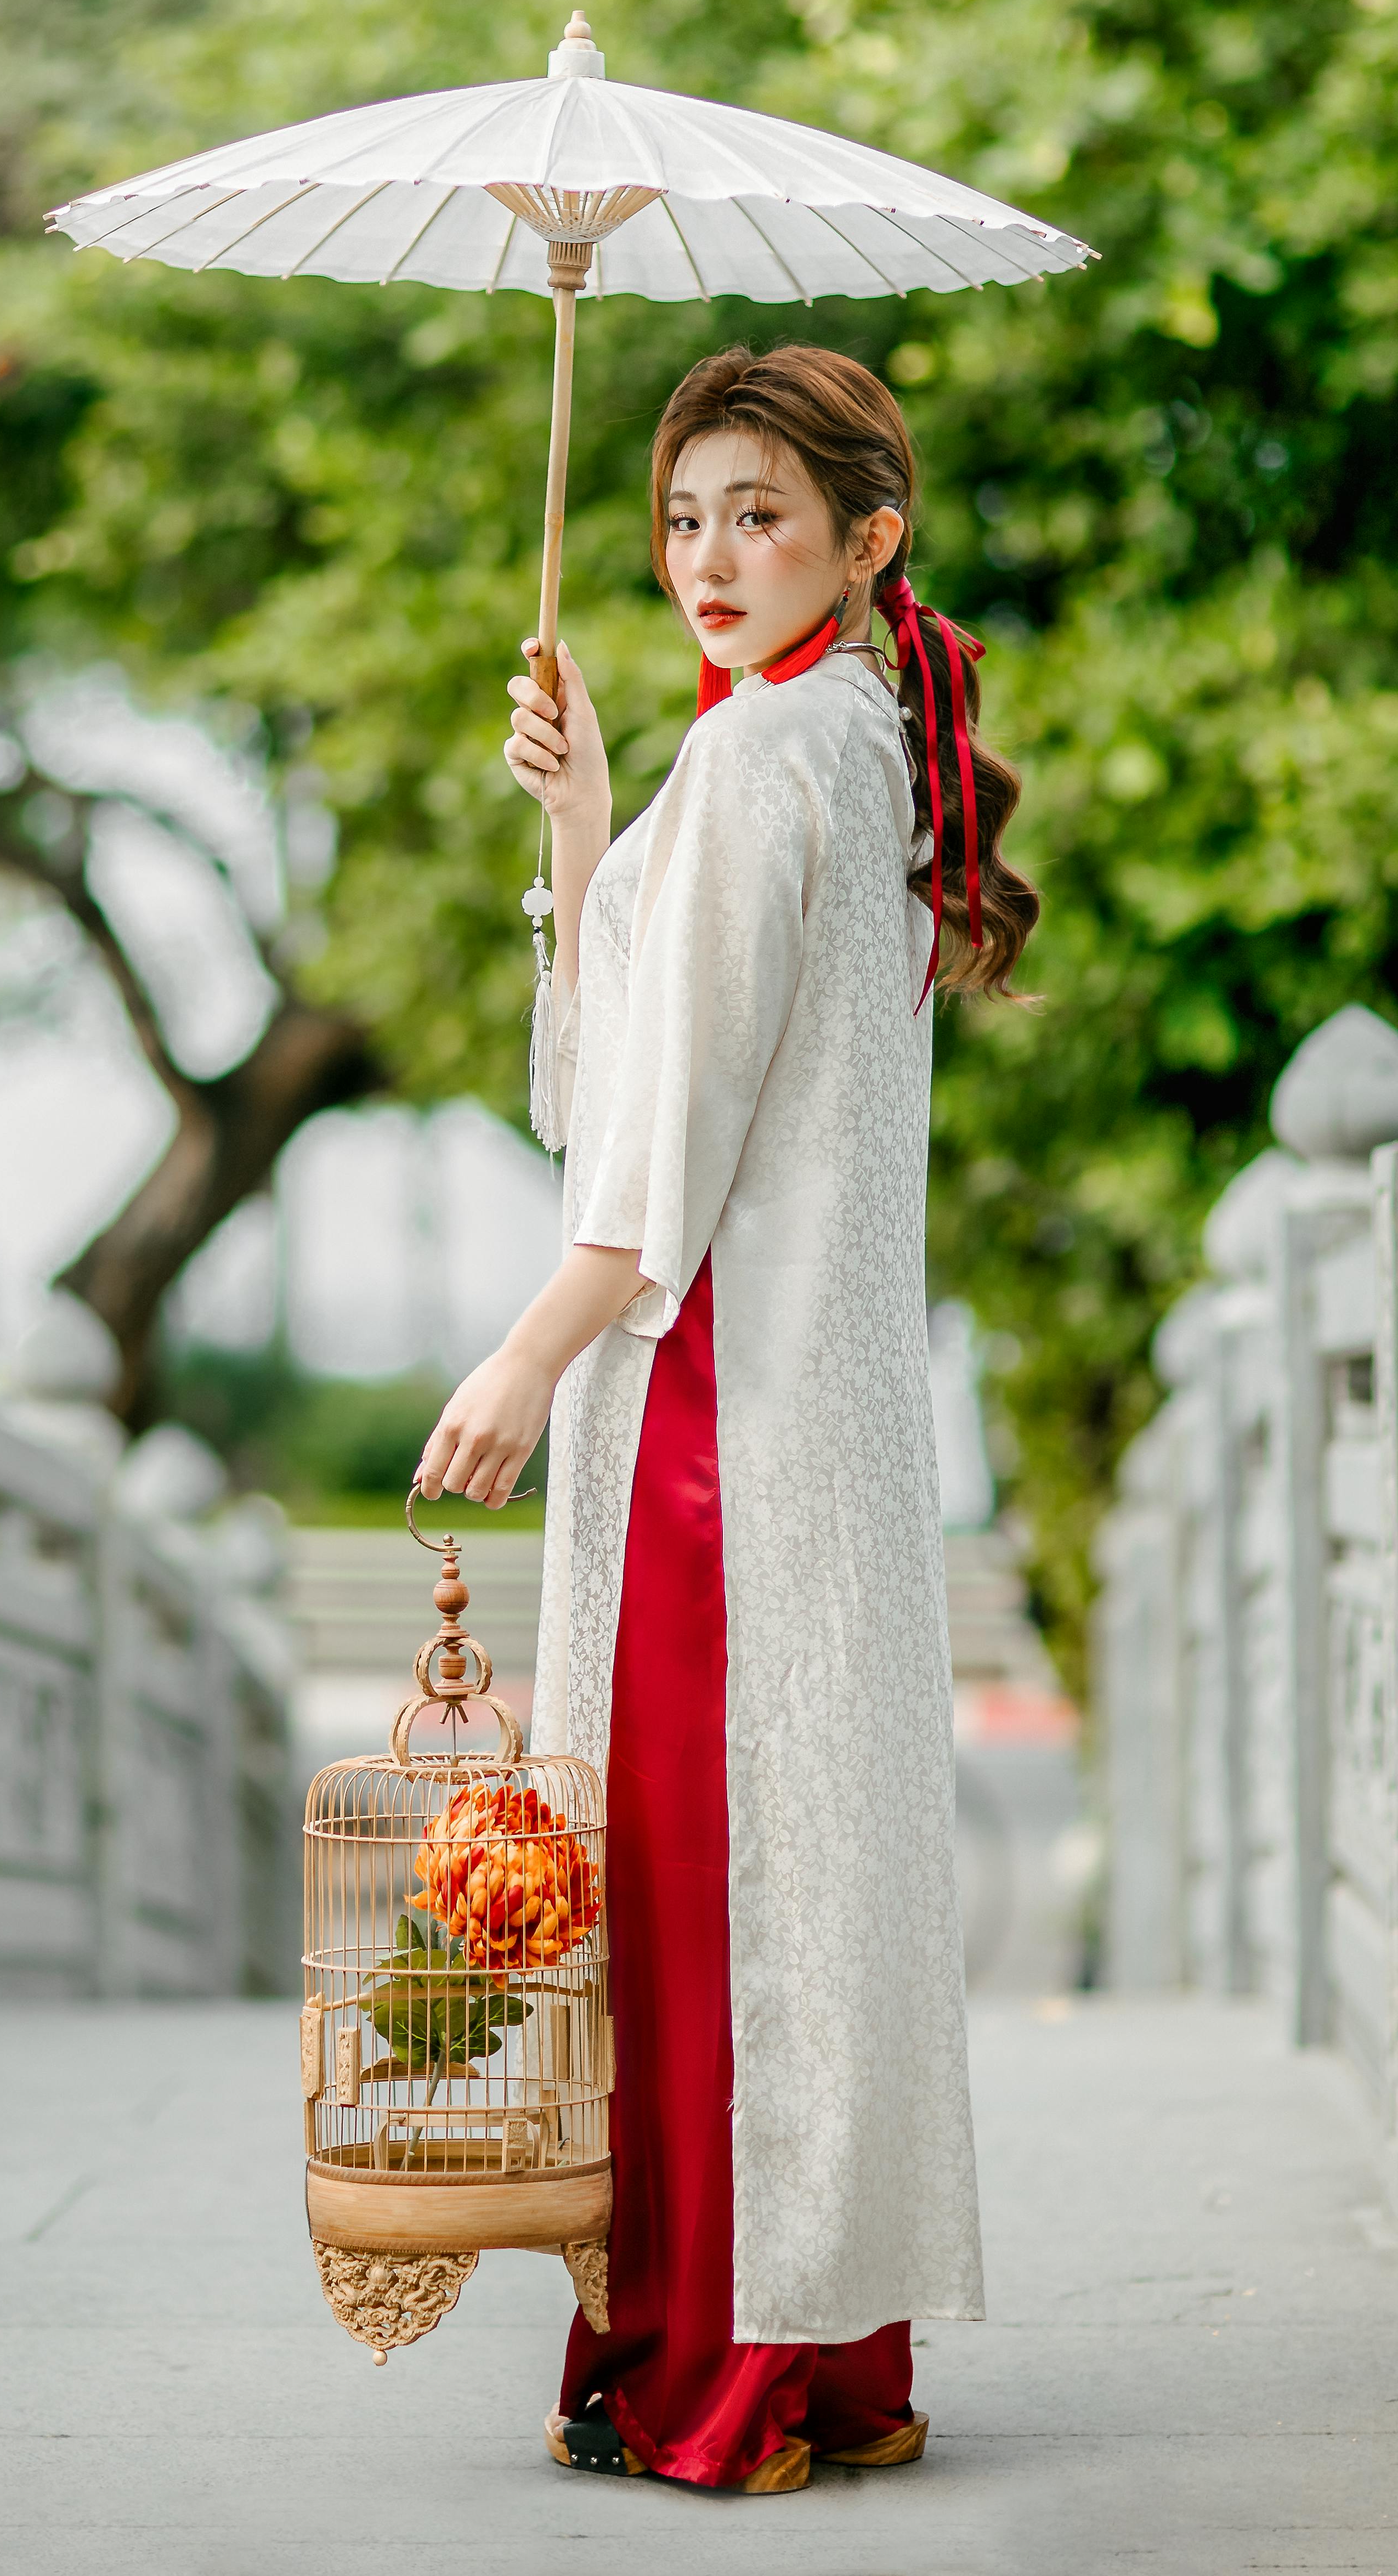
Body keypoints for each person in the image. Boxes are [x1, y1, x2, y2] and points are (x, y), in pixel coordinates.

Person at [415, 343, 1035, 2495]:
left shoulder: (778, 758)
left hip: (714, 1427)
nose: (706, 555)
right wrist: (584, 825)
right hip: (805, 1408)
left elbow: (642, 1154)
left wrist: (524, 1354)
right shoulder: (834, 745)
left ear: (867, 540)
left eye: (759, 514)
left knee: (705, 1886)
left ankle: (717, 2374)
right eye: (684, 516)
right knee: (790, 1880)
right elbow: (630, 1092)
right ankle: (819, 2364)